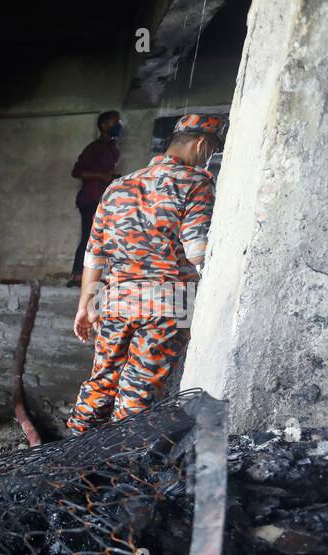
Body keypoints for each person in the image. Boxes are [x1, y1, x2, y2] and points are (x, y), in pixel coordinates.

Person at [66, 113, 224, 433]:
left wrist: (85, 305)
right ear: (201, 144)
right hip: (169, 302)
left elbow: (94, 255)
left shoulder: (118, 186)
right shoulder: (197, 182)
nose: (209, 158)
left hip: (114, 298)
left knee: (102, 381)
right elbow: (196, 252)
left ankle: (73, 453)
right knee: (139, 391)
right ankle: (121, 465)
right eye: (211, 151)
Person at [68, 111, 122, 286]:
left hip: (103, 200)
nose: (118, 125)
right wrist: (101, 176)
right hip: (90, 198)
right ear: (104, 126)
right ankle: (77, 276)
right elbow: (76, 172)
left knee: (102, 239)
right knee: (89, 237)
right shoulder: (94, 147)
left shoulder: (112, 149)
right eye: (115, 122)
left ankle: (95, 277)